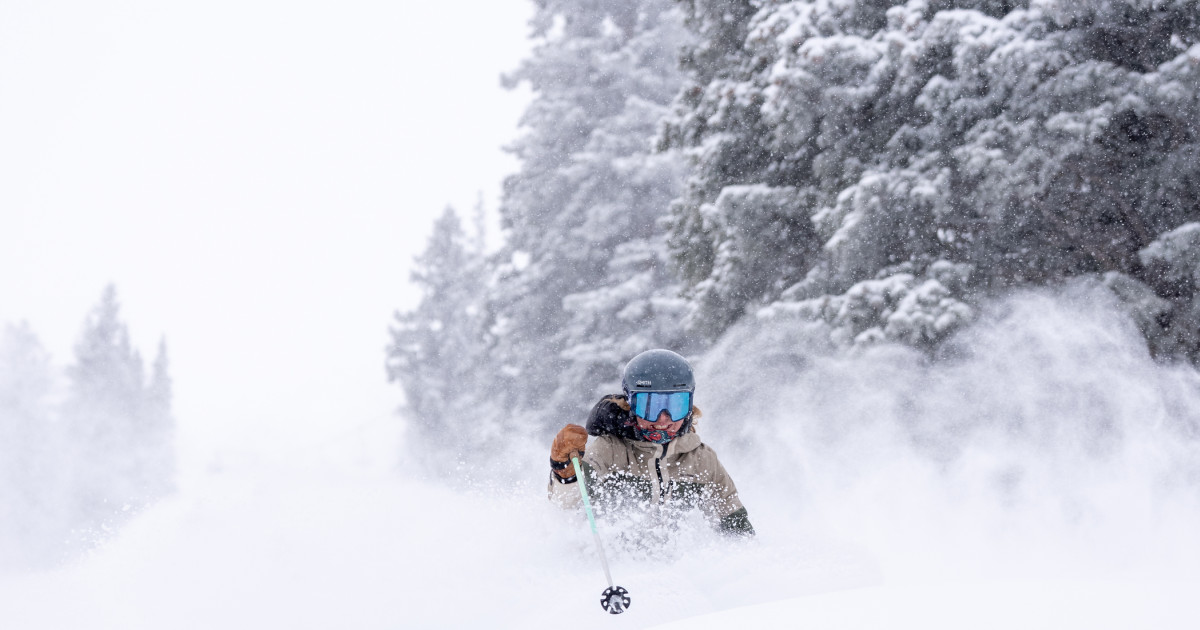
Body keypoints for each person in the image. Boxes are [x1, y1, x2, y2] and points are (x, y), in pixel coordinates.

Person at [547, 349, 754, 536]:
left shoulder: (700, 459)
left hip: (677, 571)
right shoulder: (610, 450)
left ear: (690, 406)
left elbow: (736, 530)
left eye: (676, 405)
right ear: (630, 404)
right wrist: (565, 471)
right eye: (650, 406)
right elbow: (565, 505)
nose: (664, 420)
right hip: (612, 564)